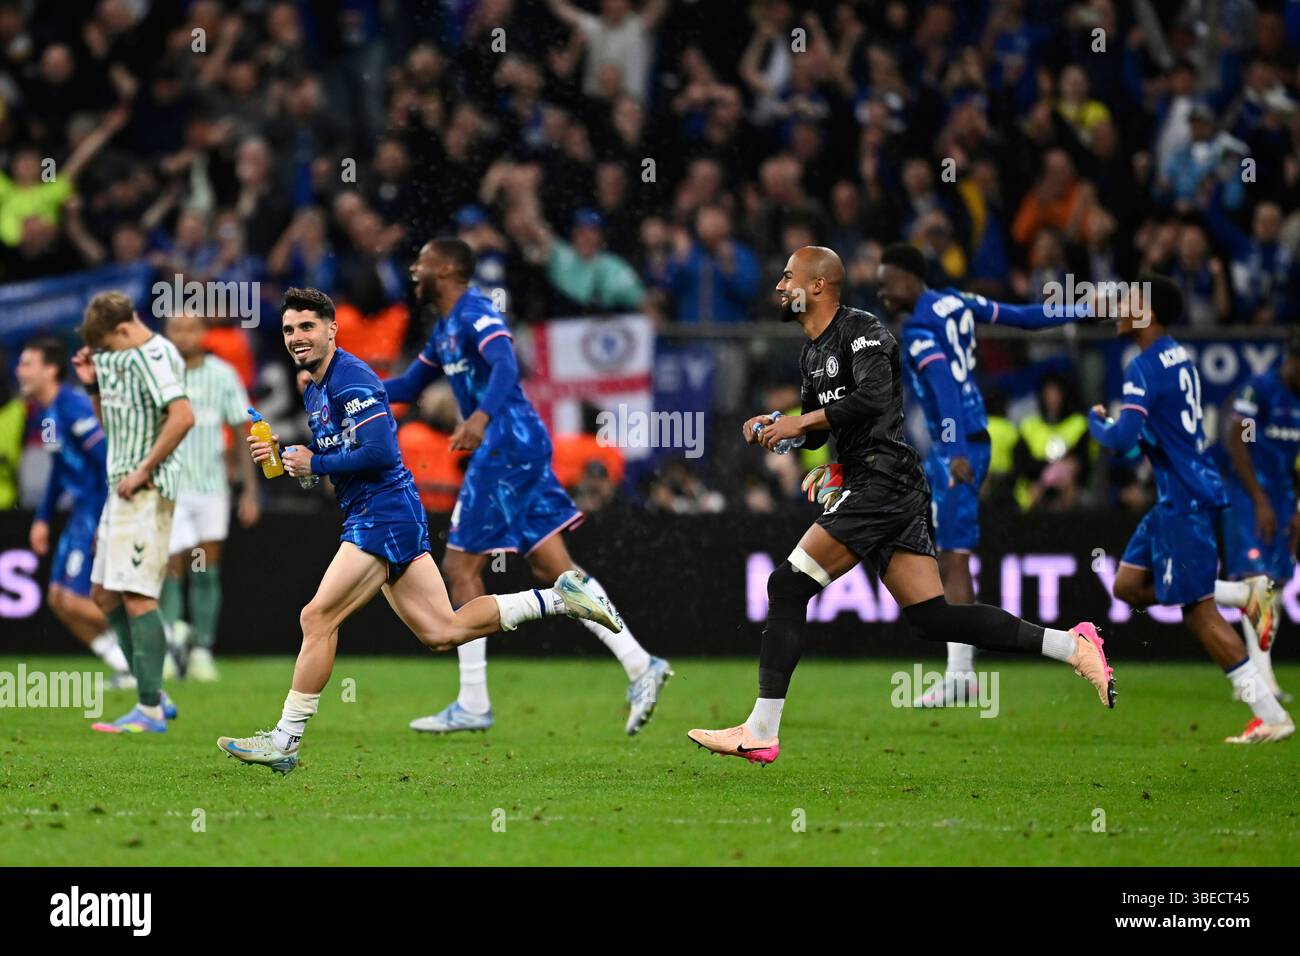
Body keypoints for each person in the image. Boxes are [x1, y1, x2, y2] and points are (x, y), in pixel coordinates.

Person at [687, 247, 1115, 765]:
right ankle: (1072, 646)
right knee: (934, 619)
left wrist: (804, 426)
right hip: (879, 483)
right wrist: (777, 430)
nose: (778, 285)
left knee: (787, 585)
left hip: (884, 482)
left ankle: (760, 730)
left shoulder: (865, 331)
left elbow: (871, 397)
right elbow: (821, 430)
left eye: (787, 275)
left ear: (818, 285)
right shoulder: (810, 353)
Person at [217, 288, 622, 774]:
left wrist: (315, 460)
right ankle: (558, 598)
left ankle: (285, 739)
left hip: (382, 516)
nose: (297, 337)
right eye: (288, 330)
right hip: (383, 514)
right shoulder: (317, 387)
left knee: (316, 617)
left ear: (331, 329)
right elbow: (340, 463)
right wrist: (292, 463)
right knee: (441, 631)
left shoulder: (351, 380)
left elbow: (382, 452)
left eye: (306, 327)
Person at [383, 239, 672, 736]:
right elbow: (407, 387)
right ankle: (640, 663)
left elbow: (507, 365)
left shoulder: (475, 311)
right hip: (517, 445)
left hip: (506, 443)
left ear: (448, 268)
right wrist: (343, 388)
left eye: (423, 260)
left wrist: (478, 417)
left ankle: (473, 702)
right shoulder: (444, 329)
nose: (414, 267)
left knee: (459, 566)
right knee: (552, 567)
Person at [876, 243, 1090, 705]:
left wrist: (952, 450)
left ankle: (961, 676)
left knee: (952, 557)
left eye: (887, 281)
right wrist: (1084, 308)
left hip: (959, 447)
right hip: (966, 442)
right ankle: (960, 672)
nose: (882, 290)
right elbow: (1025, 316)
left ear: (912, 279)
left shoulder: (918, 329)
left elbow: (945, 388)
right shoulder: (959, 301)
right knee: (948, 554)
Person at [1090, 275, 1293, 743]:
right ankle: (1245, 596)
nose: (1122, 307)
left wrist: (1097, 422)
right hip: (1175, 496)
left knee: (1196, 612)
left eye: (1131, 301)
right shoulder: (1178, 355)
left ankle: (1270, 714)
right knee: (1128, 586)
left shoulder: (1142, 367)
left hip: (1184, 499)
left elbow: (1120, 442)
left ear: (1151, 313)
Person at [72, 292, 196, 733]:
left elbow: (183, 416)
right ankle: (154, 693)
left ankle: (148, 711)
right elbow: (115, 425)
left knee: (138, 596)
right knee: (104, 595)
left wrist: (145, 469)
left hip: (146, 490)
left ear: (124, 328)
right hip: (119, 489)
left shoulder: (157, 354)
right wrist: (92, 385)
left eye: (108, 344)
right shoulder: (120, 360)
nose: (107, 354)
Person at [16, 336, 130, 684]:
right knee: (57, 599)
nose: (19, 370)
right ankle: (126, 666)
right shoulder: (47, 414)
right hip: (81, 509)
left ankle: (159, 640)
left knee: (75, 598)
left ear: (50, 369)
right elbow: (58, 470)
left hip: (96, 506)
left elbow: (105, 461)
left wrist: (107, 518)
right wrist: (42, 519)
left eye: (27, 362)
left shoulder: (73, 407)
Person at [158, 311, 261, 682]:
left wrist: (249, 490)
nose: (183, 336)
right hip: (169, 490)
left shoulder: (223, 375)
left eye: (190, 328)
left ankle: (201, 649)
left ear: (203, 333)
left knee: (203, 568)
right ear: (167, 334)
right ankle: (170, 644)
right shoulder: (159, 374)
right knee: (170, 568)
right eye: (175, 329)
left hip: (210, 492)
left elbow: (240, 429)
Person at [1212, 330, 1300, 704]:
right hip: (1248, 494)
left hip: (1283, 497)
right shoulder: (1258, 391)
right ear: (1290, 359)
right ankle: (1260, 680)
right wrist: (1259, 499)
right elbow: (1238, 441)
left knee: (1274, 588)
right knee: (1257, 582)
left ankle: (1254, 676)